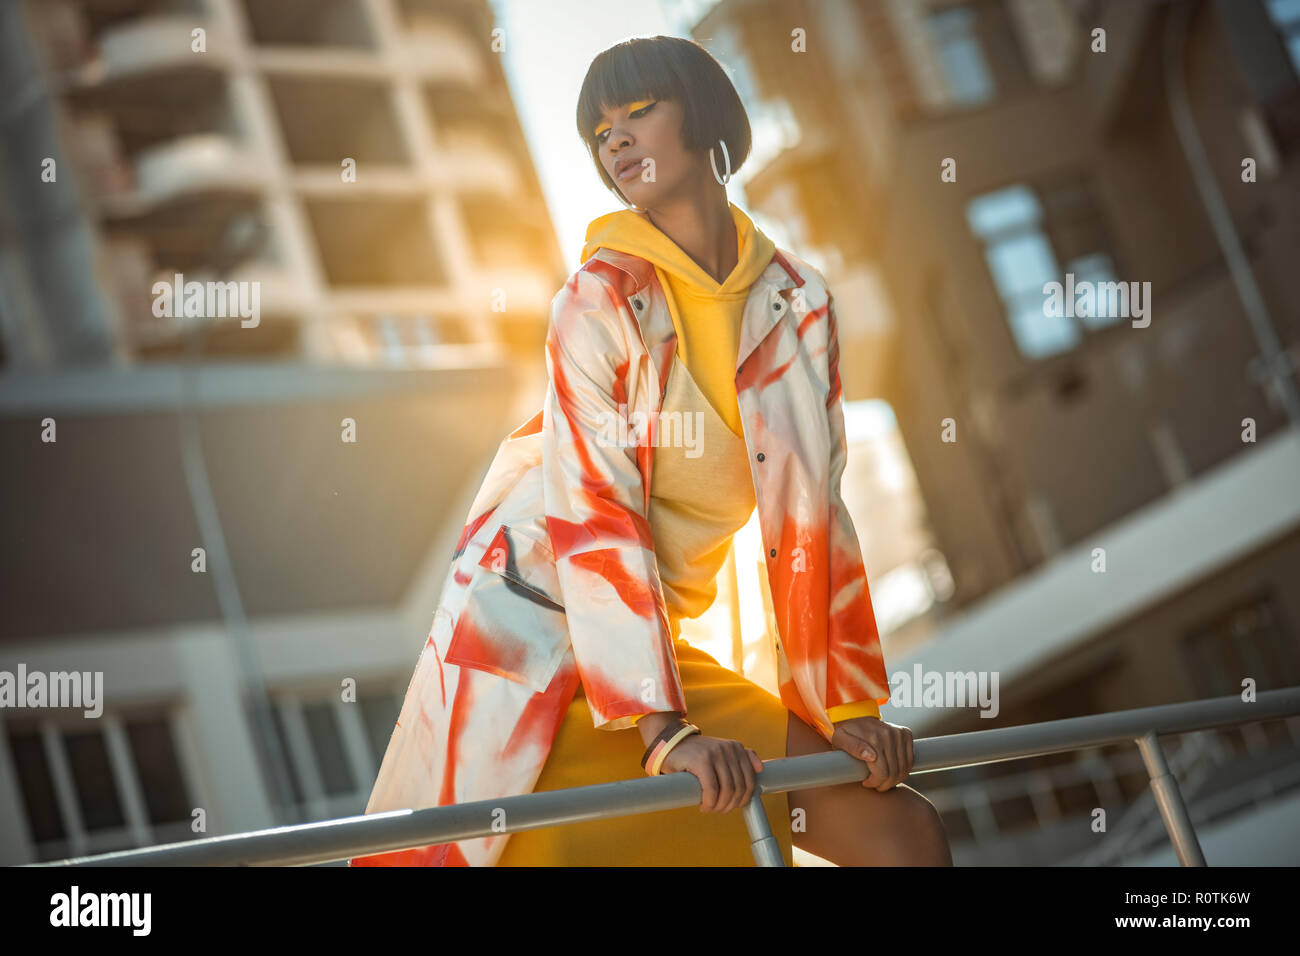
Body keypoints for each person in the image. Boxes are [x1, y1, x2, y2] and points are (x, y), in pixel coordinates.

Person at [351, 35, 951, 867]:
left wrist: (846, 705)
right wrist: (664, 732)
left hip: (658, 657)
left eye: (639, 113)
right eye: (601, 132)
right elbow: (597, 517)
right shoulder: (595, 302)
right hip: (533, 648)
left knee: (902, 834)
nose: (619, 140)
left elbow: (814, 520)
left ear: (704, 118)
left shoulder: (799, 307)